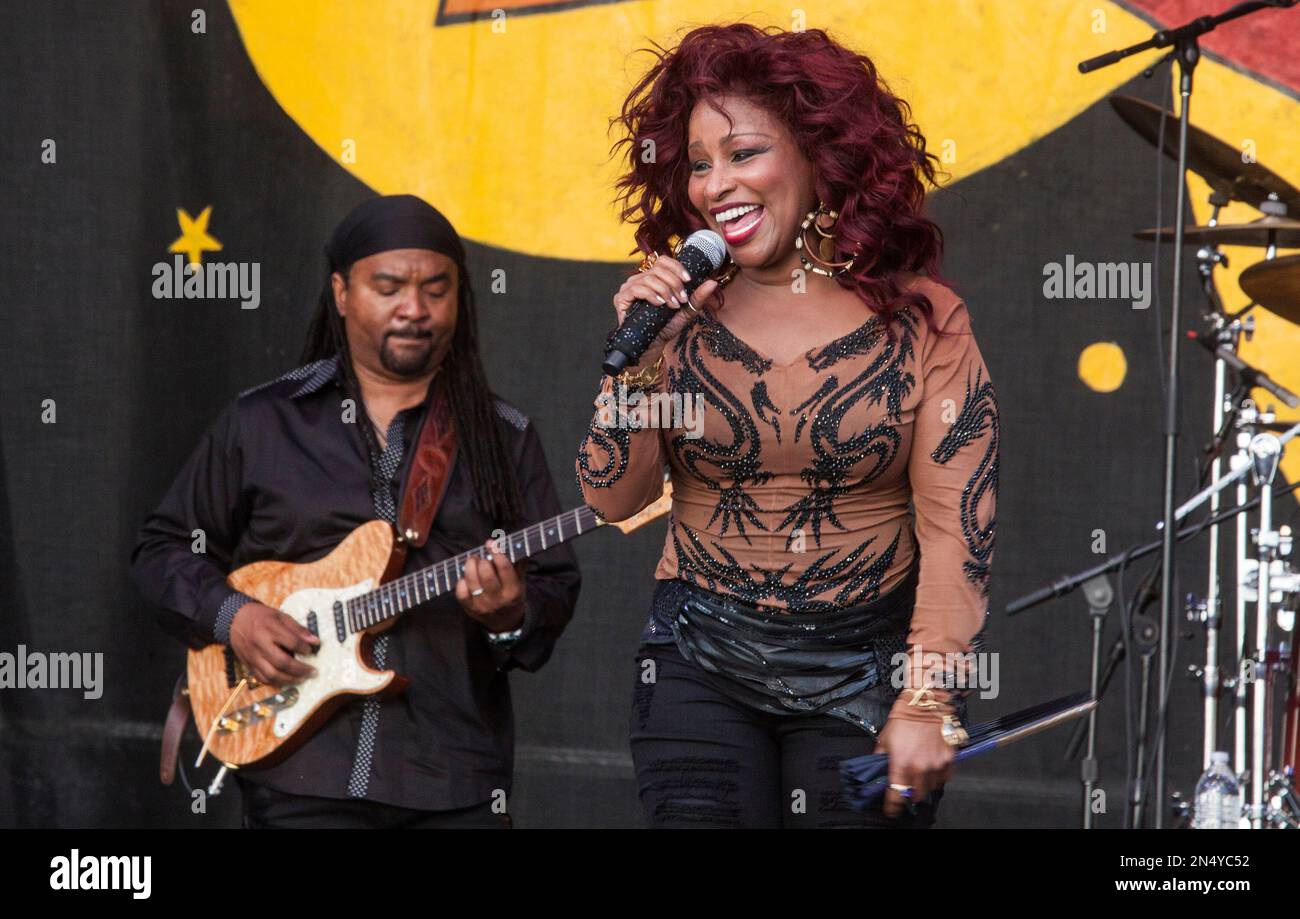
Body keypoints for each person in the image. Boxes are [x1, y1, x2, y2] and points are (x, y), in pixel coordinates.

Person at [577, 24, 998, 828]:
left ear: (820, 156)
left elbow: (955, 532)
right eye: (699, 164)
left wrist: (927, 697)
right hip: (698, 663)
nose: (714, 185)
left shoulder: (923, 321)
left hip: (864, 672)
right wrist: (640, 365)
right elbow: (611, 496)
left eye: (743, 154)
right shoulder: (681, 315)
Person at [133, 194, 580, 828]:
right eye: (389, 287)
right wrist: (234, 617)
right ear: (342, 293)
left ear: (460, 300)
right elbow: (163, 549)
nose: (414, 309)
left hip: (451, 778)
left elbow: (552, 588)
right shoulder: (263, 422)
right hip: (297, 775)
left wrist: (509, 615)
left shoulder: (503, 438)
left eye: (435, 289)